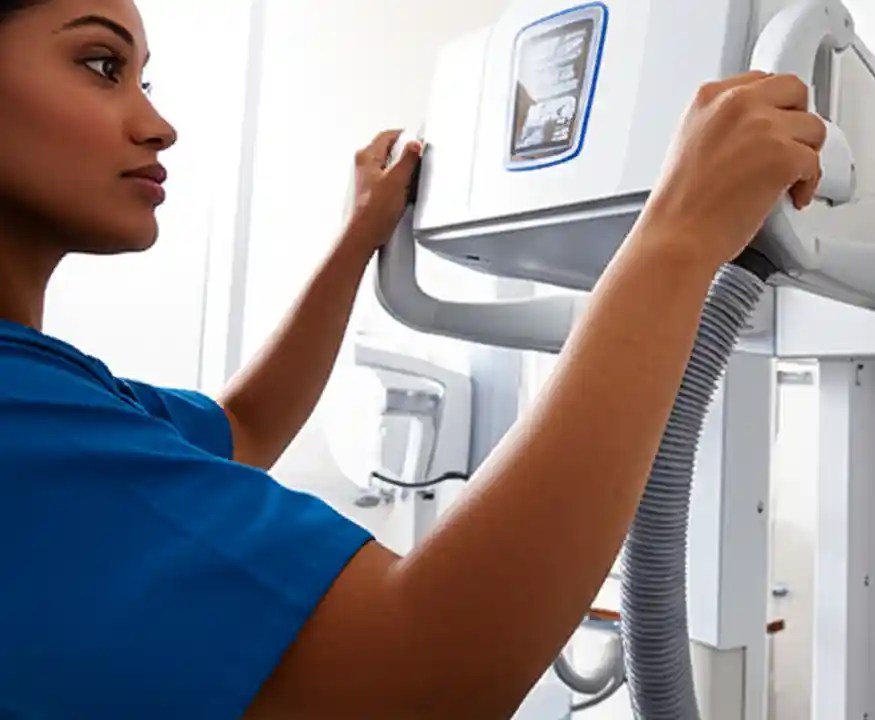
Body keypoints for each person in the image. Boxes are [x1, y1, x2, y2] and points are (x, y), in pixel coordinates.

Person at [0, 0, 826, 717]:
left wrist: (359, 237)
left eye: (146, 79)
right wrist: (677, 234)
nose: (157, 122)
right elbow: (423, 681)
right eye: (102, 65)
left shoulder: (54, 389)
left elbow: (243, 425)